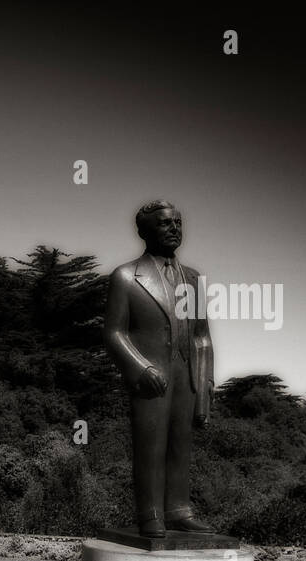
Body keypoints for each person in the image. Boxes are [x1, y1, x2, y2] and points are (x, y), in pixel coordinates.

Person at [104, 200, 215, 537]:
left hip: (187, 376)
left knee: (181, 444)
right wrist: (141, 368)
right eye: (165, 223)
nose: (174, 228)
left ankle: (178, 509)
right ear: (144, 231)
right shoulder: (126, 276)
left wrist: (206, 382)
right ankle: (150, 513)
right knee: (150, 446)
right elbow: (113, 332)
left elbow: (201, 336)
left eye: (178, 222)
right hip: (151, 377)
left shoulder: (193, 280)